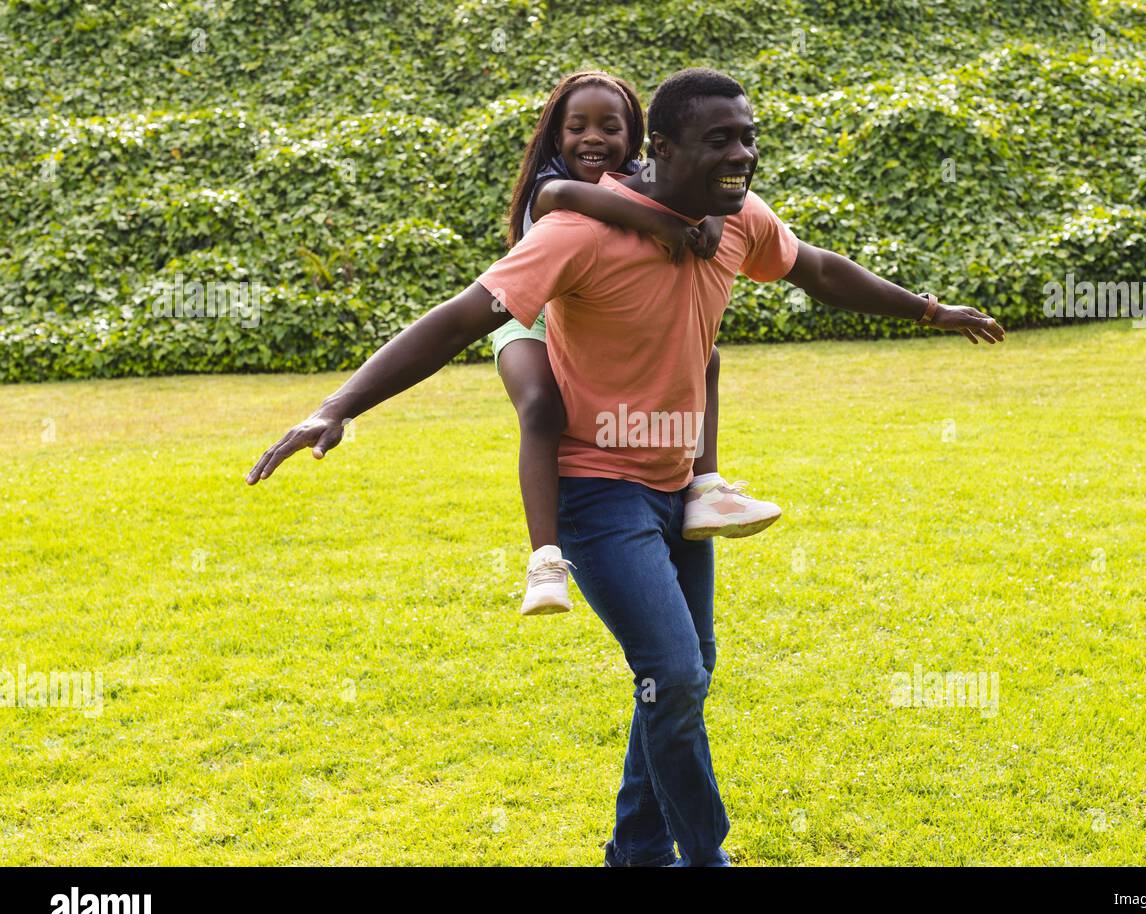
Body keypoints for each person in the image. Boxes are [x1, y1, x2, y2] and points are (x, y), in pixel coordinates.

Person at [246, 67, 1005, 867]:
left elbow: (817, 270)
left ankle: (638, 854)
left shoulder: (739, 220)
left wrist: (927, 309)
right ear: (663, 148)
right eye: (721, 140)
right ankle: (705, 856)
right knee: (674, 674)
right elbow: (463, 317)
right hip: (597, 490)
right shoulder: (578, 232)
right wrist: (339, 404)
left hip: (678, 489)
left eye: (748, 137)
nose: (742, 154)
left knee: (683, 674)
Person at [495, 70, 781, 616]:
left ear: (639, 140)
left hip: (586, 311)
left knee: (707, 358)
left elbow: (692, 193)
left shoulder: (640, 174)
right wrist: (663, 225)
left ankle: (705, 485)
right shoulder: (551, 185)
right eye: (577, 127)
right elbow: (585, 201)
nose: (593, 138)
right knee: (541, 406)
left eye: (611, 126)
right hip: (527, 315)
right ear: (557, 137)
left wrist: (713, 218)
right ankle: (544, 557)